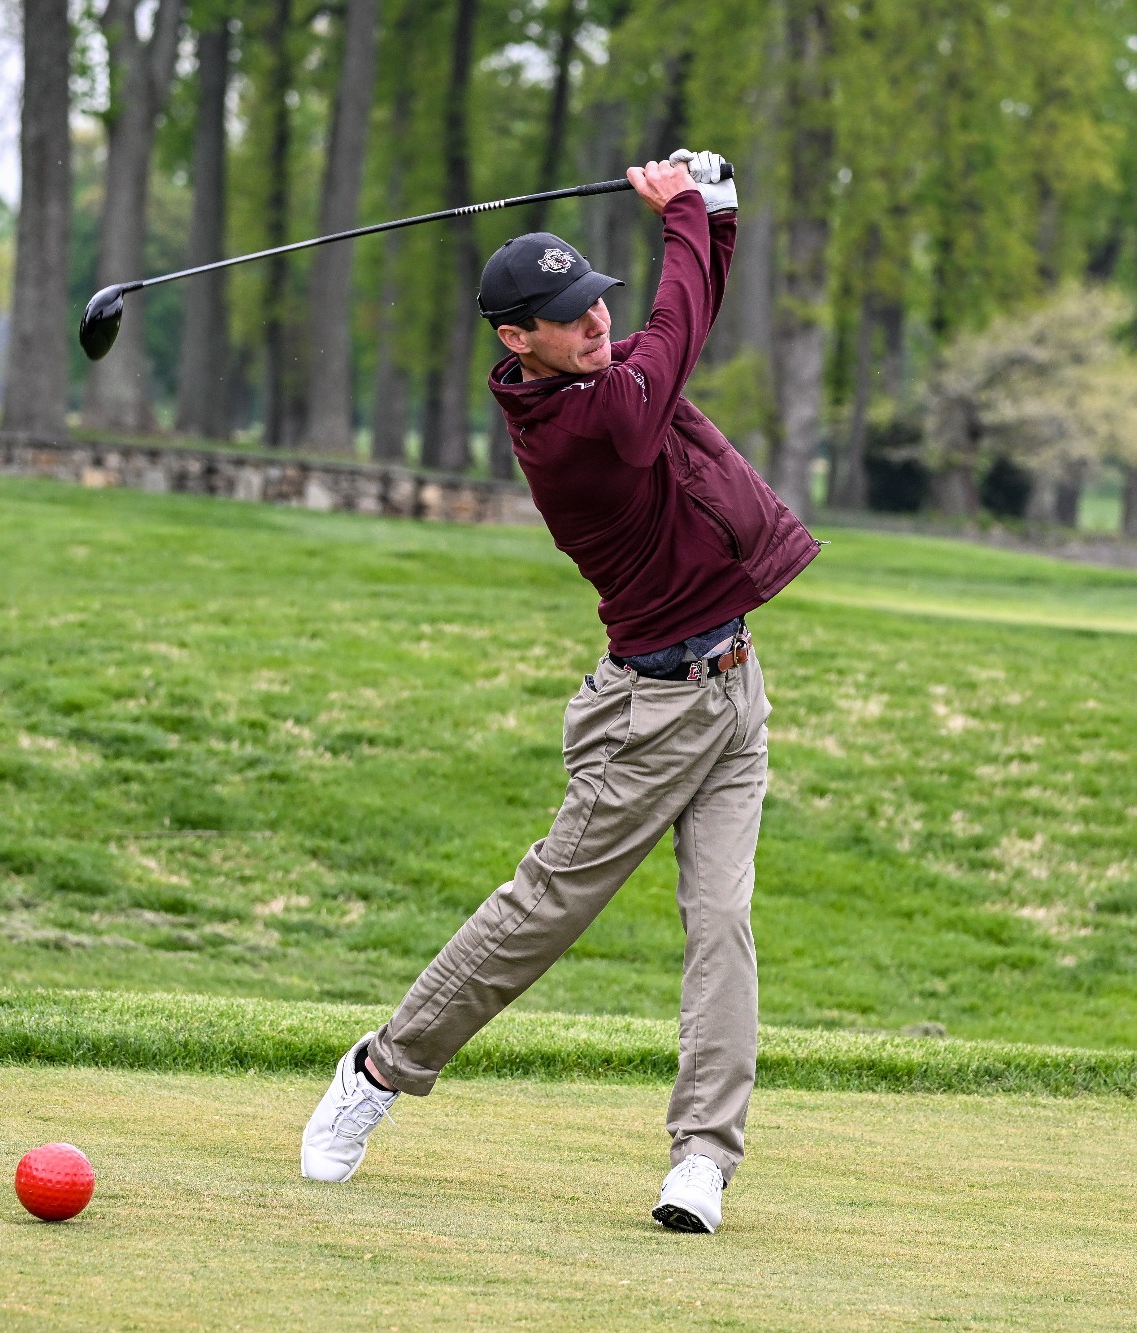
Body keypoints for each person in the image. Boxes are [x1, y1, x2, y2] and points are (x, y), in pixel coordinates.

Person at [299, 150, 820, 1234]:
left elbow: (686, 315)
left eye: (595, 304)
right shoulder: (580, 426)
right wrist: (680, 213)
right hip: (648, 714)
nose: (593, 324)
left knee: (721, 925)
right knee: (542, 913)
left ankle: (702, 1161)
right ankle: (378, 1070)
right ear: (514, 339)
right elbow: (670, 340)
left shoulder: (609, 376)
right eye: (566, 316)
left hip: (733, 693)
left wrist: (712, 213)